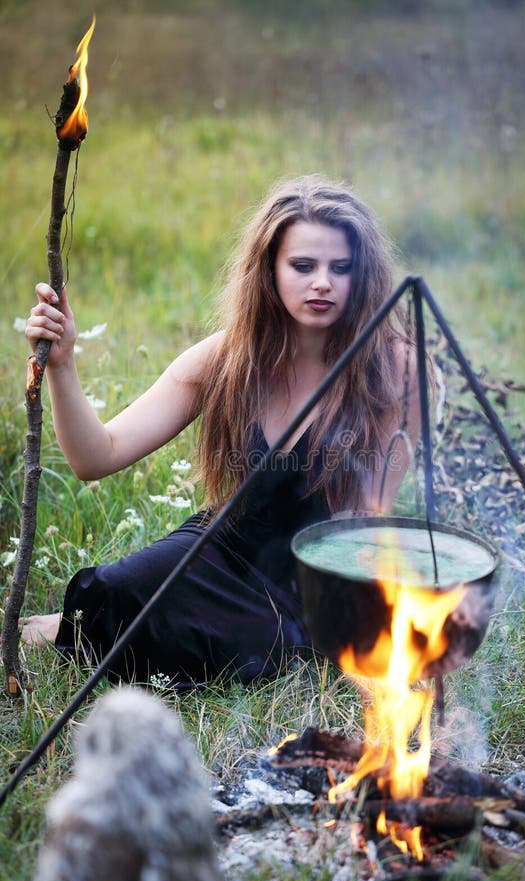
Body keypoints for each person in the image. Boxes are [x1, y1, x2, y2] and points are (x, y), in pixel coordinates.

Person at [20, 175, 420, 687]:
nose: (322, 282)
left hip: (314, 579)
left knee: (250, 654)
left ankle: (97, 635)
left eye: (340, 268)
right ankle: (81, 628)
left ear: (361, 276)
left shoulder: (394, 369)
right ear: (269, 269)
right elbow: (96, 456)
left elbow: (367, 521)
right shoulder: (227, 359)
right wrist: (63, 364)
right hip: (223, 549)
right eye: (303, 266)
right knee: (113, 593)